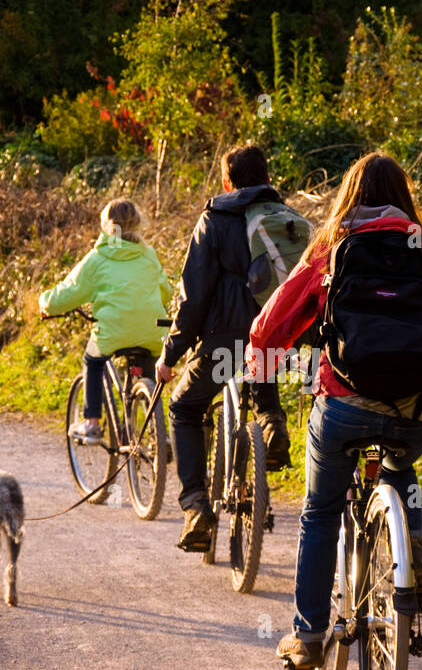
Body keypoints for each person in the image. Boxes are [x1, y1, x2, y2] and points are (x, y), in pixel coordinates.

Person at [247, 153, 422, 670]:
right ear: (404, 196)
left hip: (343, 406)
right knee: (399, 465)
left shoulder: (332, 247)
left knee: (320, 510)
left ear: (349, 194)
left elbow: (267, 327)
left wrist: (271, 363)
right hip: (413, 412)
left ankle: (307, 636)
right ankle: (410, 548)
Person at [156, 145, 292, 552]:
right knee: (262, 381)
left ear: (227, 181)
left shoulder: (214, 220)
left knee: (184, 407)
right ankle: (272, 428)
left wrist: (171, 354)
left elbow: (194, 297)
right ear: (267, 176)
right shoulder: (285, 219)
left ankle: (196, 506)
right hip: (274, 337)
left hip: (224, 341)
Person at [39, 199, 172, 441]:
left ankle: (92, 423)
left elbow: (70, 291)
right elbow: (166, 291)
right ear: (138, 222)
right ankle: (158, 432)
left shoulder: (98, 257)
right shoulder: (148, 254)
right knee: (149, 365)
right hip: (152, 329)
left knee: (93, 359)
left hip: (113, 331)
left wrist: (45, 304)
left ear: (106, 225)